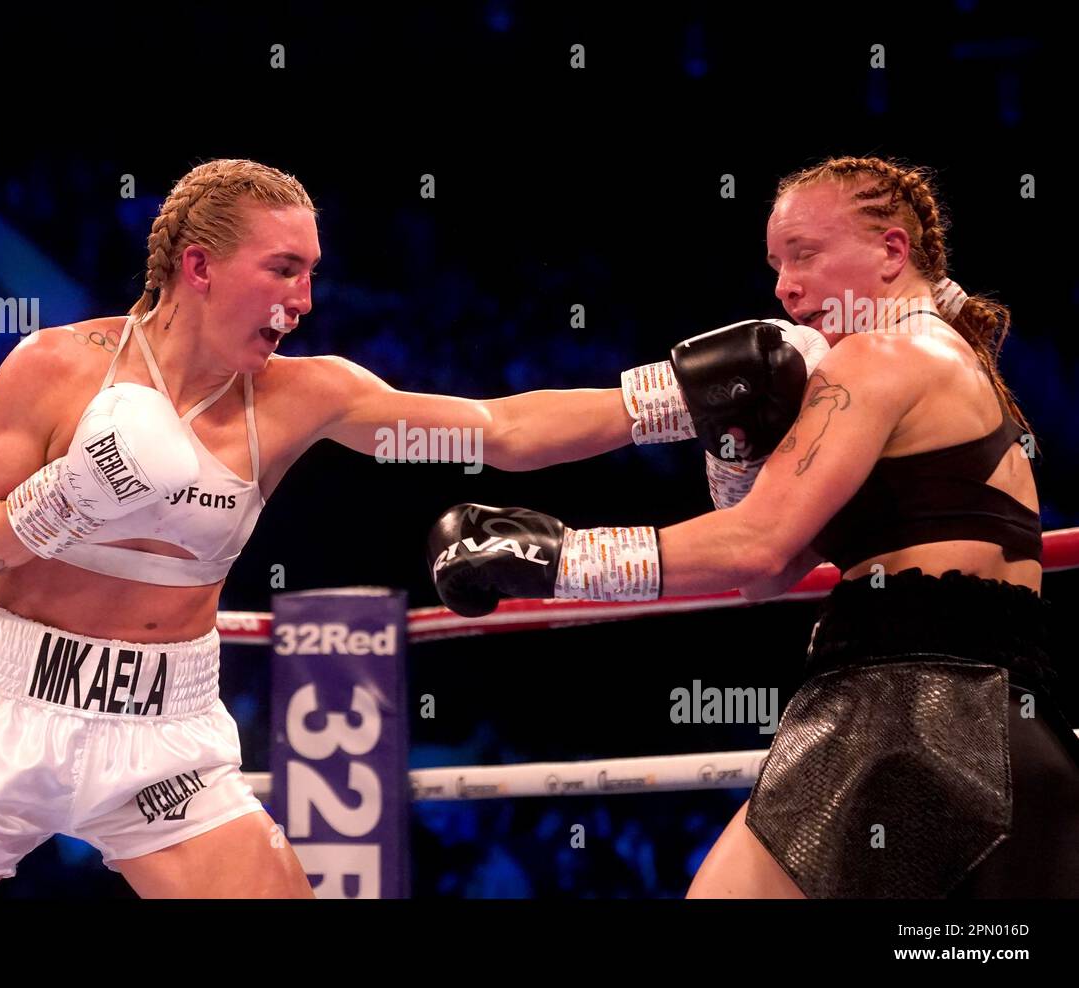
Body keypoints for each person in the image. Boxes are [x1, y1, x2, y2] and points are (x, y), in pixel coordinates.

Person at [0, 156, 725, 899]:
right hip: (0, 711)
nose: (303, 300)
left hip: (162, 732)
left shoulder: (304, 394)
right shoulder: (56, 365)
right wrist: (62, 500)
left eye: (311, 275)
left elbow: (505, 433)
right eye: (283, 269)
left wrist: (675, 400)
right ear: (199, 265)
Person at [428, 156, 1079, 898]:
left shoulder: (879, 355)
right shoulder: (952, 363)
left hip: (905, 714)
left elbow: (753, 544)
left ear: (891, 252)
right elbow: (766, 576)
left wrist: (552, 558)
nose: (783, 286)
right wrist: (731, 451)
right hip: (1004, 727)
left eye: (805, 253)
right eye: (775, 263)